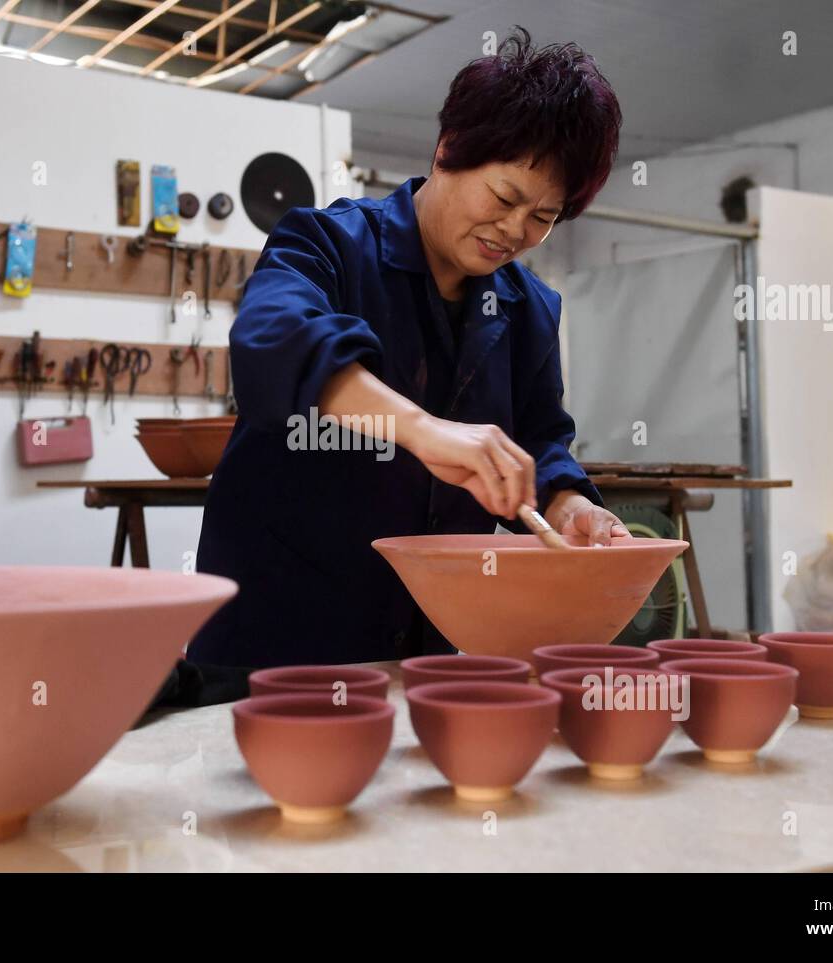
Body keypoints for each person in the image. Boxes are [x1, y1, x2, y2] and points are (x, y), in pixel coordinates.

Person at [188, 29, 629, 669]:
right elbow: (273, 340)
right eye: (505, 197)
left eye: (544, 217)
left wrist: (569, 505)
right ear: (449, 149)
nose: (515, 230)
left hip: (429, 641)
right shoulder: (329, 245)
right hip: (280, 629)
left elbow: (539, 440)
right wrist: (422, 431)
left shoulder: (530, 311)